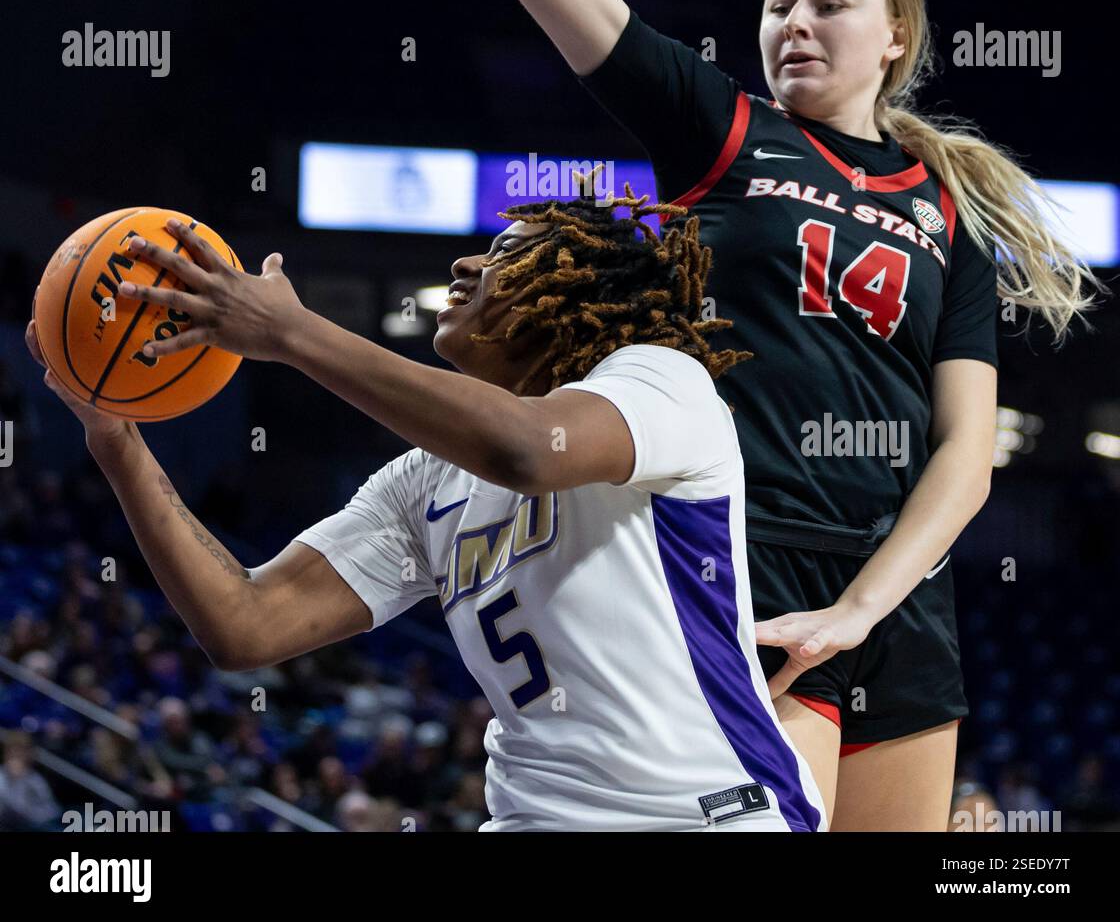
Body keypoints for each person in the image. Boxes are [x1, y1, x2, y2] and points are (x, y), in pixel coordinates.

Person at [229, 0, 1105, 829]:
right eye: (777, 2)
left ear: (895, 37)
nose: (794, 21)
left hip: (895, 597)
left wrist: (869, 606)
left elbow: (964, 451)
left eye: (828, 3)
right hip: (742, 557)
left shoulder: (944, 209)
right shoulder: (724, 129)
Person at [27, 189, 826, 833]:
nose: (466, 262)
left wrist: (294, 332)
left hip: (707, 816)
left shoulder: (661, 380)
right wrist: (115, 439)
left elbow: (528, 449)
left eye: (509, 257)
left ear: (578, 291)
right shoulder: (426, 482)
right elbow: (245, 624)